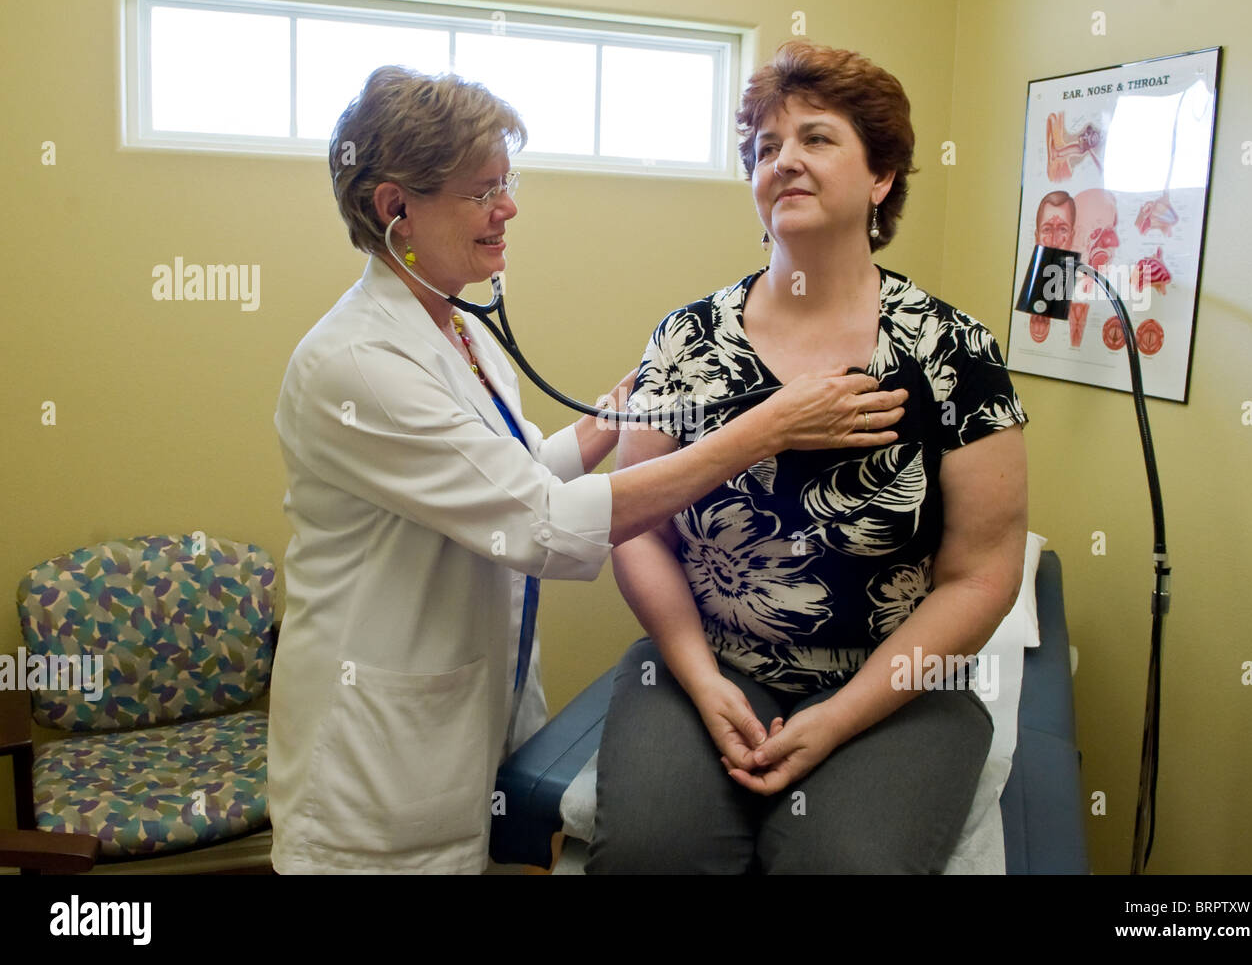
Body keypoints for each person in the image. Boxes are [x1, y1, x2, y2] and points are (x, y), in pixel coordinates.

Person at [268, 65, 906, 874]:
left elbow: (513, 473)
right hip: (374, 758)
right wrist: (764, 430)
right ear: (397, 209)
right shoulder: (358, 362)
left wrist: (609, 422)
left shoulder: (455, 326)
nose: (509, 208)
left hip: (463, 714)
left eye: (508, 182)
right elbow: (538, 523)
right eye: (483, 191)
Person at [587, 42, 1030, 874]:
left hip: (898, 682)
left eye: (817, 139)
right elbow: (636, 526)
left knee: (841, 863)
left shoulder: (953, 350)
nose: (783, 160)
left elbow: (983, 573)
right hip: (711, 658)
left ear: (881, 178)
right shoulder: (687, 339)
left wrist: (839, 717)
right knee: (652, 853)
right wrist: (701, 680)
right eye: (763, 149)